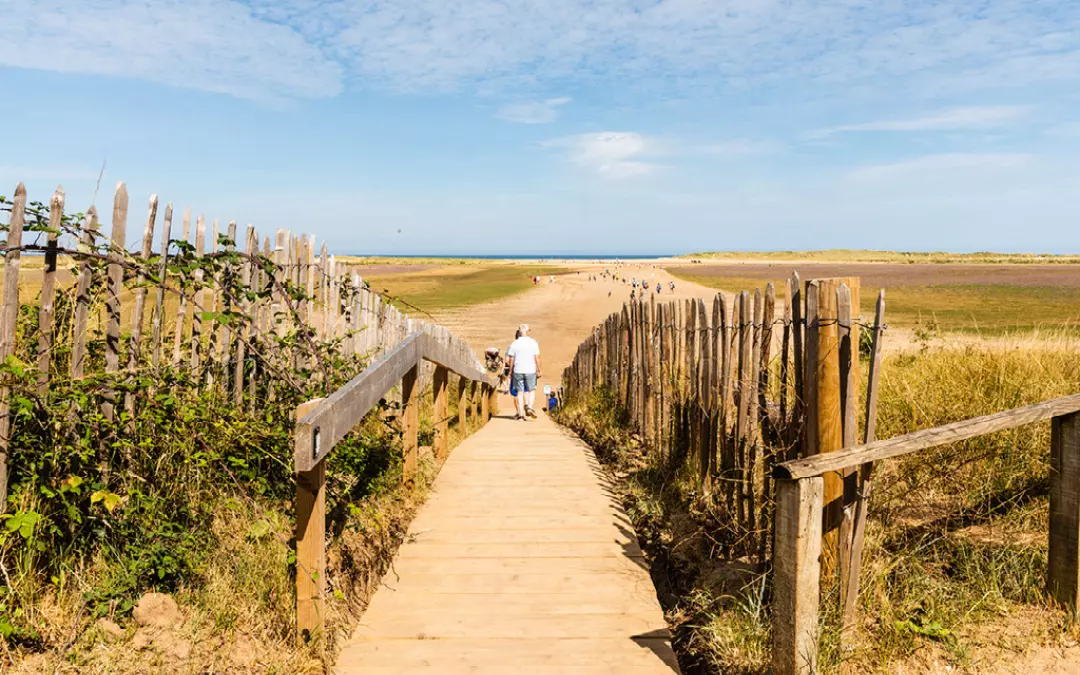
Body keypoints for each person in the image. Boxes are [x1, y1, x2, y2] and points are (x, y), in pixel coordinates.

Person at [506, 324, 542, 420]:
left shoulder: (515, 343)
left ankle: (521, 415)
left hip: (518, 370)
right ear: (527, 331)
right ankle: (529, 407)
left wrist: (510, 371)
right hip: (530, 370)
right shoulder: (533, 342)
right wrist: (539, 370)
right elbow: (537, 358)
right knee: (531, 390)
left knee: (520, 393)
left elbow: (511, 359)